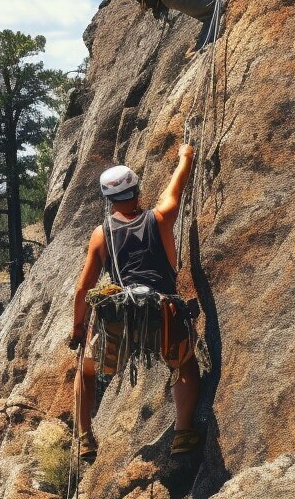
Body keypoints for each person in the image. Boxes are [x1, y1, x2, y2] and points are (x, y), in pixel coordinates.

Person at [69, 144, 200, 463]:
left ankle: (85, 437)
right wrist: (185, 158)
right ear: (137, 191)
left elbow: (84, 287)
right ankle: (183, 432)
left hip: (122, 320)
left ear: (108, 199)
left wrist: (78, 328)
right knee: (185, 364)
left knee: (85, 369)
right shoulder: (160, 218)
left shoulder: (101, 235)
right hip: (162, 313)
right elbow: (175, 189)